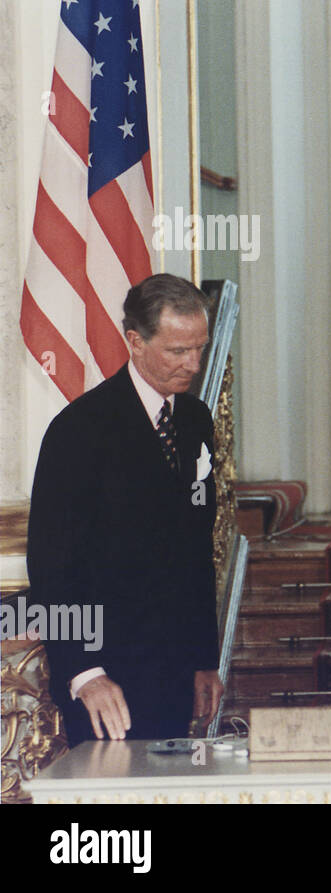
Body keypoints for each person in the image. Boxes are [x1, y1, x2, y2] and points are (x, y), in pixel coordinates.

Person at [26, 274, 223, 746]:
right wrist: (84, 671)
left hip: (176, 672)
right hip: (105, 677)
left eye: (200, 348)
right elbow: (52, 567)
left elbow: (196, 549)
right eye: (178, 351)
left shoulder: (194, 421)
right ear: (135, 341)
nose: (194, 364)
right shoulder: (78, 430)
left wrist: (203, 658)